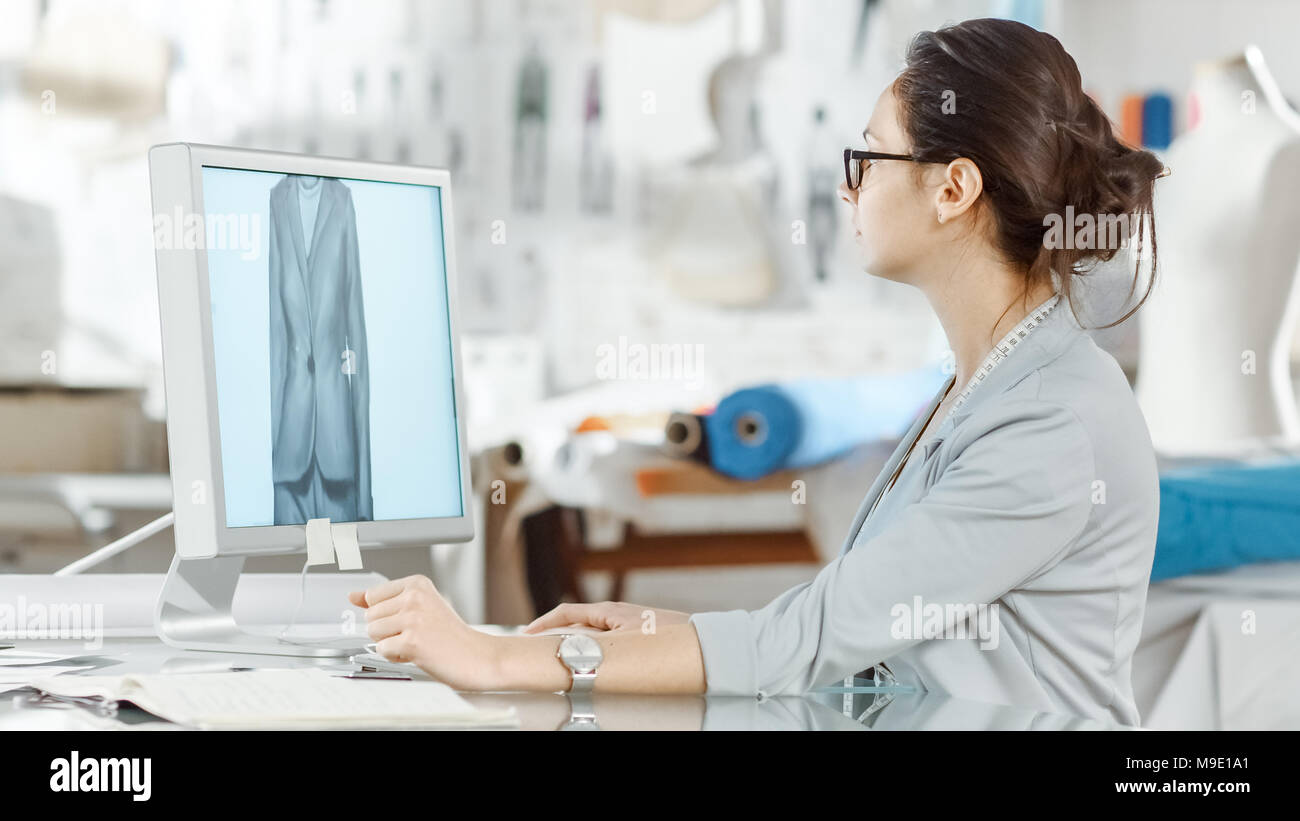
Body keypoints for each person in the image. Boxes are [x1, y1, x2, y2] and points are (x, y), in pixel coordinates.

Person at [348, 18, 1166, 725]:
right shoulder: (985, 381)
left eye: (869, 157)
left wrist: (489, 658)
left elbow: (812, 638)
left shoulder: (1051, 423)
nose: (849, 191)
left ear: (952, 188)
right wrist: (649, 633)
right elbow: (853, 630)